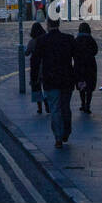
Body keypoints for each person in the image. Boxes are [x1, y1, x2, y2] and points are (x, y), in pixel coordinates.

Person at [34, 19, 76, 148]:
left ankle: (58, 137)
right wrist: (79, 78)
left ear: (47, 25)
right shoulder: (68, 39)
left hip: (50, 80)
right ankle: (66, 132)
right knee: (65, 107)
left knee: (55, 109)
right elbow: (77, 59)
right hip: (67, 79)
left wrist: (35, 80)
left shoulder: (42, 40)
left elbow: (35, 62)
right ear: (59, 24)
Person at [73, 22, 99, 114]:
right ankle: (88, 104)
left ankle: (82, 103)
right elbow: (95, 51)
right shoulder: (91, 39)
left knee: (81, 85)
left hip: (79, 66)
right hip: (90, 66)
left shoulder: (76, 40)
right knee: (89, 87)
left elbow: (73, 53)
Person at [25, 22, 47, 114]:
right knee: (46, 86)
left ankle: (40, 108)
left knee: (36, 87)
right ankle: (48, 105)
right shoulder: (46, 39)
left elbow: (27, 53)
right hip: (46, 64)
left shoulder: (32, 42)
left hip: (35, 65)